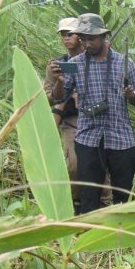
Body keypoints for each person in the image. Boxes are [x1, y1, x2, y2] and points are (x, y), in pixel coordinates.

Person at [50, 13, 135, 214]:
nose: (87, 43)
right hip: (88, 137)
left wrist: (131, 94)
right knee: (89, 193)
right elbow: (58, 97)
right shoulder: (76, 64)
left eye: (91, 38)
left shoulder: (124, 63)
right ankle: (89, 234)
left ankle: (121, 235)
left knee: (123, 191)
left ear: (103, 37)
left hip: (120, 136)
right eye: (83, 39)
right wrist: (57, 80)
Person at [43, 17, 83, 199]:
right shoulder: (57, 64)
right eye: (63, 35)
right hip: (71, 120)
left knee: (100, 165)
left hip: (97, 117)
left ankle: (104, 203)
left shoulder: (95, 59)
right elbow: (48, 97)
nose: (66, 38)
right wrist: (59, 83)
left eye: (70, 34)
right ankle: (75, 203)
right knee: (74, 165)